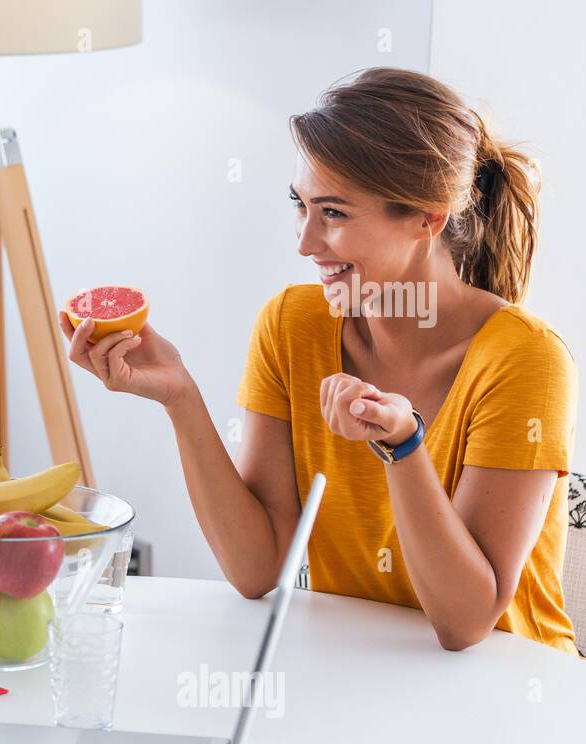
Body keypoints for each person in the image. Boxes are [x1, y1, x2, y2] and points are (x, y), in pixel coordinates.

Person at [61, 68, 579, 656]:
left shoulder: (525, 360)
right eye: (300, 206)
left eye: (333, 213)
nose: (305, 242)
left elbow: (465, 622)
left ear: (428, 219)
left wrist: (405, 447)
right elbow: (258, 569)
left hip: (509, 684)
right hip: (355, 666)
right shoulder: (291, 325)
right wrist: (180, 397)